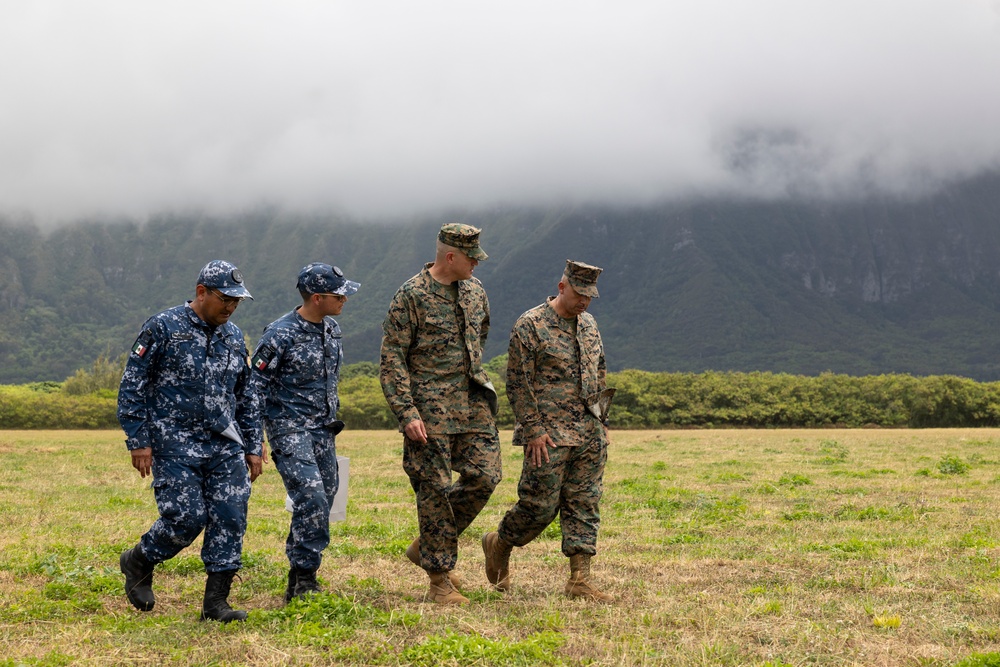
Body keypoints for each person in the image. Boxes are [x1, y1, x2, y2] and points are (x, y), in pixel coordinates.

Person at [117, 259, 263, 623]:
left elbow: (245, 396)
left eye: (236, 302)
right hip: (174, 443)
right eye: (225, 299)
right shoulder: (163, 327)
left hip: (224, 444)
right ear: (202, 292)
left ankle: (216, 605)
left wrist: (253, 446)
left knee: (231, 516)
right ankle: (139, 560)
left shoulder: (233, 336)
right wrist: (139, 440)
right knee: (185, 518)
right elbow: (132, 385)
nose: (230, 307)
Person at [379, 223, 502, 605]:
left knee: (486, 476)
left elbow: (478, 339)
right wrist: (407, 411)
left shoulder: (475, 291)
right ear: (450, 256)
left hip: (472, 403)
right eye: (471, 258)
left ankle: (428, 544)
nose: (477, 265)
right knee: (433, 489)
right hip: (428, 410)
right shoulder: (410, 296)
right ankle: (439, 581)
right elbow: (392, 360)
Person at [483, 260, 615, 602]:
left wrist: (602, 421)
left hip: (588, 432)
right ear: (562, 287)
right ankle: (499, 544)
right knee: (539, 506)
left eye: (590, 296)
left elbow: (599, 373)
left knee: (585, 501)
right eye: (579, 293)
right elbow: (517, 383)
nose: (584, 301)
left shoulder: (589, 326)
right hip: (549, 435)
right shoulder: (531, 325)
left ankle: (580, 579)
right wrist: (534, 430)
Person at [249, 262, 360, 603]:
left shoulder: (331, 330)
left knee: (323, 500)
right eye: (338, 295)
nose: (344, 299)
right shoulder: (280, 334)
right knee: (310, 496)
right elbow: (255, 387)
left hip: (323, 431)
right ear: (316, 298)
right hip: (289, 429)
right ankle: (305, 581)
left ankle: (300, 577)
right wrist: (255, 441)